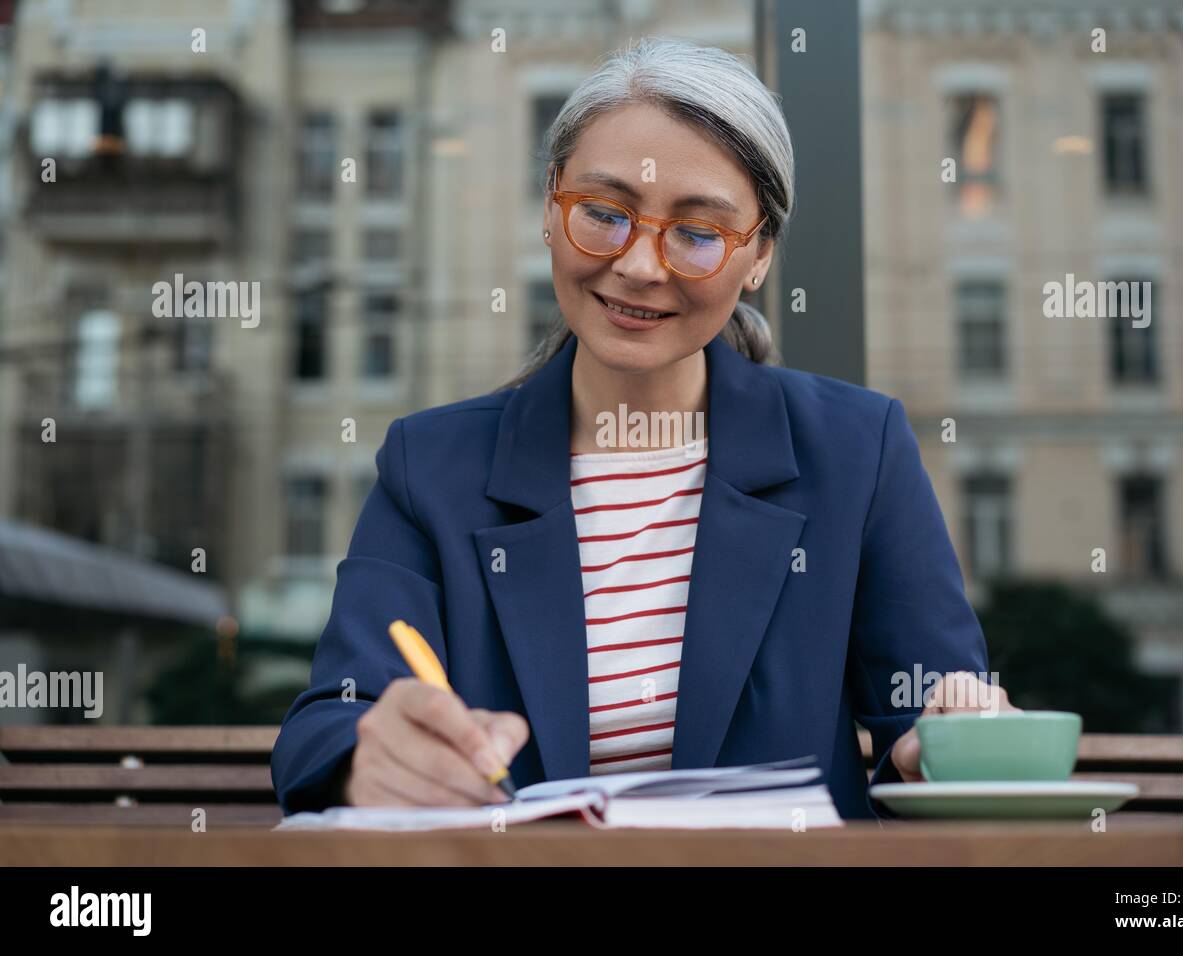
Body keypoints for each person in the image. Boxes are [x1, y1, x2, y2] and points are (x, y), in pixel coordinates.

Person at [271, 37, 1013, 821]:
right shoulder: (432, 466)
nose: (639, 266)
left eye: (698, 234)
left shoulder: (857, 452)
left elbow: (927, 721)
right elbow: (329, 723)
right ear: (551, 206)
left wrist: (944, 747)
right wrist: (371, 758)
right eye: (603, 213)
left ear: (759, 254)